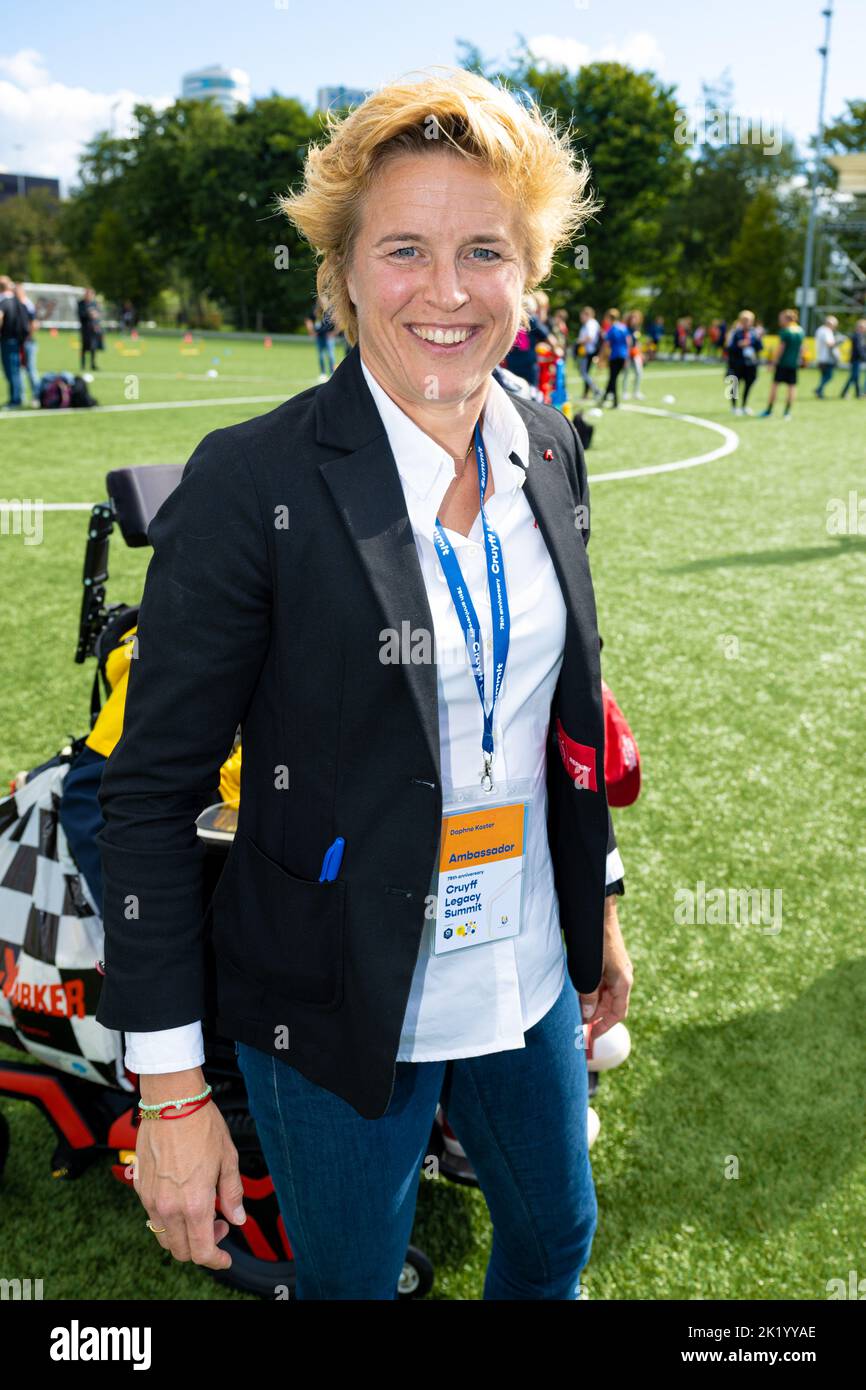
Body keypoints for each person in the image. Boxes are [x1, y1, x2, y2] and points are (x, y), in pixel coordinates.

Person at [93, 66, 631, 1302]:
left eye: (484, 249)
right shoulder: (249, 480)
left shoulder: (547, 442)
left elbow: (562, 705)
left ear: (530, 275)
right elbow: (149, 792)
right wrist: (171, 1087)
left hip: (525, 966)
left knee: (554, 1241)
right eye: (403, 249)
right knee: (353, 1285)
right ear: (339, 277)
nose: (445, 292)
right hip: (330, 995)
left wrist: (592, 891)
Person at [760, 308, 804, 419]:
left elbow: (781, 349)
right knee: (791, 388)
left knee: (774, 386)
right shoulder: (800, 331)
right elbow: (802, 348)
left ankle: (769, 411)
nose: (779, 321)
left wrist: (773, 363)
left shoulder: (785, 331)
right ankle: (787, 412)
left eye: (781, 319)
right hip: (794, 365)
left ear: (787, 319)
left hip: (783, 364)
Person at [0, 273, 29, 409]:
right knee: (15, 370)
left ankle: (15, 400)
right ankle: (17, 398)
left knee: (11, 371)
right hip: (18, 340)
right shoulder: (18, 301)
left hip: (7, 340)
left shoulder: (4, 301)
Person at [725, 310, 760, 415]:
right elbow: (728, 348)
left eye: (748, 321)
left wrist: (752, 344)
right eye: (744, 320)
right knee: (734, 385)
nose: (746, 323)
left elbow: (759, 347)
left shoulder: (754, 334)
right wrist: (738, 345)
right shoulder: (735, 333)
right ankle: (734, 407)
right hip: (736, 363)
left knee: (748, 384)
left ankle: (744, 406)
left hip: (750, 365)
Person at [15, 283, 41, 405]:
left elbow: (34, 324)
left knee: (30, 369)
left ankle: (37, 396)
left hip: (28, 342)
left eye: (17, 292)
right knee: (19, 370)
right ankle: (21, 396)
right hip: (19, 342)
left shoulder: (27, 305)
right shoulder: (17, 304)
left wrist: (27, 337)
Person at [600, 308, 630, 407]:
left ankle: (615, 401)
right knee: (613, 378)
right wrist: (627, 357)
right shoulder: (623, 327)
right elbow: (628, 342)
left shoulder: (612, 329)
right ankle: (604, 398)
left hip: (614, 355)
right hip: (623, 355)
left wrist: (602, 357)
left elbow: (606, 344)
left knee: (613, 379)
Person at [574, 304, 602, 400]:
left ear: (587, 315)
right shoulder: (589, 324)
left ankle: (596, 390)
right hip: (586, 351)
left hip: (588, 352)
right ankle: (587, 393)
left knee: (584, 373)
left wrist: (579, 341)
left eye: (582, 315)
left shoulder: (591, 323)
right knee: (585, 373)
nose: (581, 318)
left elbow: (590, 337)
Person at [305, 297, 336, 378]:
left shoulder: (330, 311)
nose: (321, 303)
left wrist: (334, 333)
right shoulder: (315, 311)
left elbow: (337, 321)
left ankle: (332, 373)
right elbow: (308, 320)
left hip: (328, 337)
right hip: (319, 336)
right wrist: (311, 331)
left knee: (330, 355)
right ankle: (323, 373)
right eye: (320, 302)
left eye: (323, 302)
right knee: (321, 355)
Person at [840, 318, 866, 399]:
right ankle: (845, 392)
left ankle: (857, 393)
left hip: (857, 359)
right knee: (854, 377)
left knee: (855, 377)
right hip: (856, 359)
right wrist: (864, 357)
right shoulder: (857, 336)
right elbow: (859, 349)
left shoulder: (860, 336)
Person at [622, 309, 645, 401]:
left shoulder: (637, 329)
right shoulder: (626, 329)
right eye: (633, 318)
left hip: (635, 354)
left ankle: (636, 392)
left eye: (636, 318)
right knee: (626, 374)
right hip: (627, 354)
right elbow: (626, 343)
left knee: (639, 373)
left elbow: (637, 342)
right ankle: (624, 392)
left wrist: (640, 353)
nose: (634, 320)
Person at [814, 314, 839, 399]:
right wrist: (839, 341)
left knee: (824, 376)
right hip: (826, 358)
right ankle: (819, 390)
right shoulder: (826, 331)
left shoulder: (821, 330)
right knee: (828, 376)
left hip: (821, 357)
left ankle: (820, 392)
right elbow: (829, 344)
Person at [77, 287, 102, 371]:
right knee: (84, 347)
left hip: (93, 329)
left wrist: (97, 322)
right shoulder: (81, 303)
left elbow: (98, 315)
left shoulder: (95, 304)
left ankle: (93, 364)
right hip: (85, 328)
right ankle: (83, 365)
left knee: (93, 347)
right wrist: (89, 313)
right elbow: (80, 315)